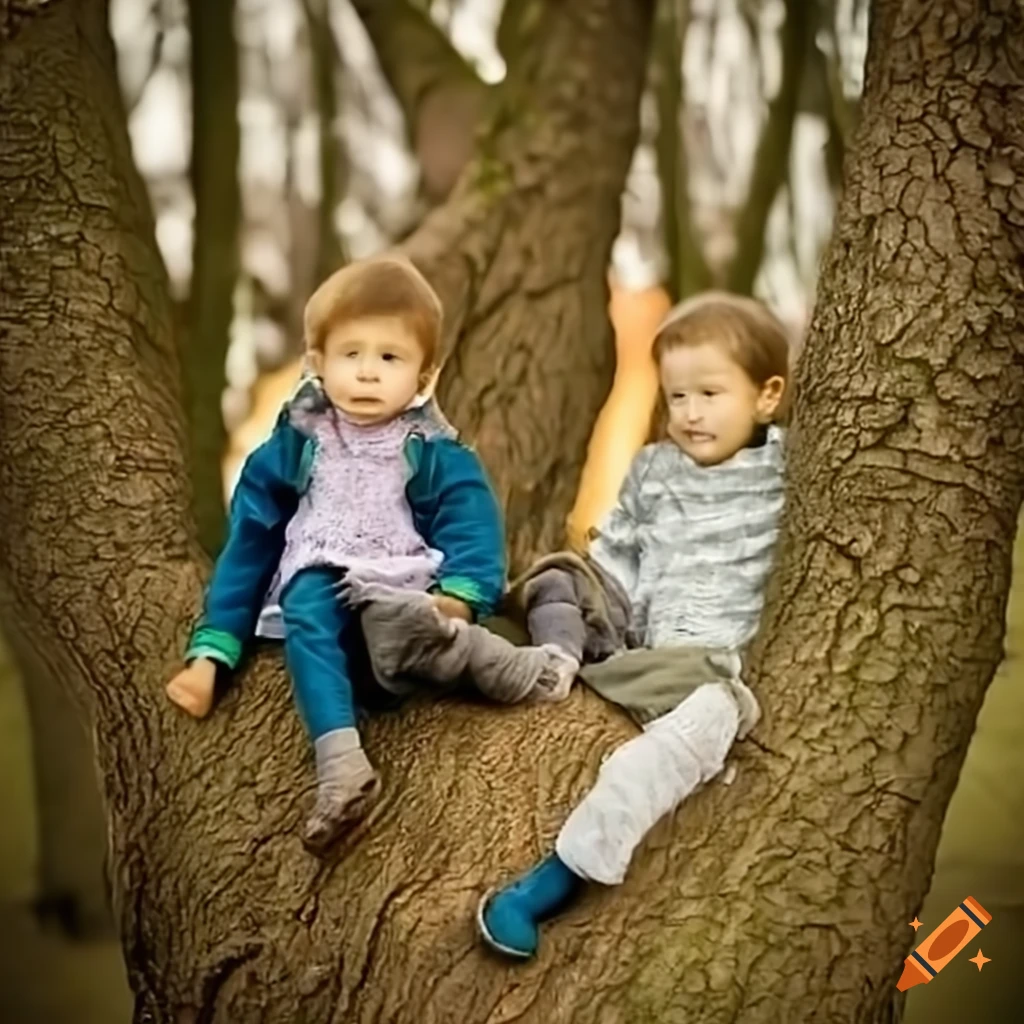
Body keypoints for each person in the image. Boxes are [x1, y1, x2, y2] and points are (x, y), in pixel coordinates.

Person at [166, 255, 517, 854]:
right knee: (307, 593)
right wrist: (213, 651)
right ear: (317, 361)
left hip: (401, 590)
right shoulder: (295, 447)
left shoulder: (431, 449)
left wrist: (460, 597)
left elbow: (471, 522)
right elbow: (251, 543)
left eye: (390, 358)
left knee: (412, 627)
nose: (368, 373)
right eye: (350, 354)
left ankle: (483, 661)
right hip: (325, 596)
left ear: (424, 375)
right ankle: (341, 764)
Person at [478, 291, 790, 958]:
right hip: (626, 636)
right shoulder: (654, 469)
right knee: (559, 575)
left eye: (710, 394)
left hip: (699, 666)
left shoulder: (782, 474)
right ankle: (546, 659)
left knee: (710, 717)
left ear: (767, 396)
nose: (691, 413)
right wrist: (594, 603)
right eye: (677, 397)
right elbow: (615, 556)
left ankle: (553, 880)